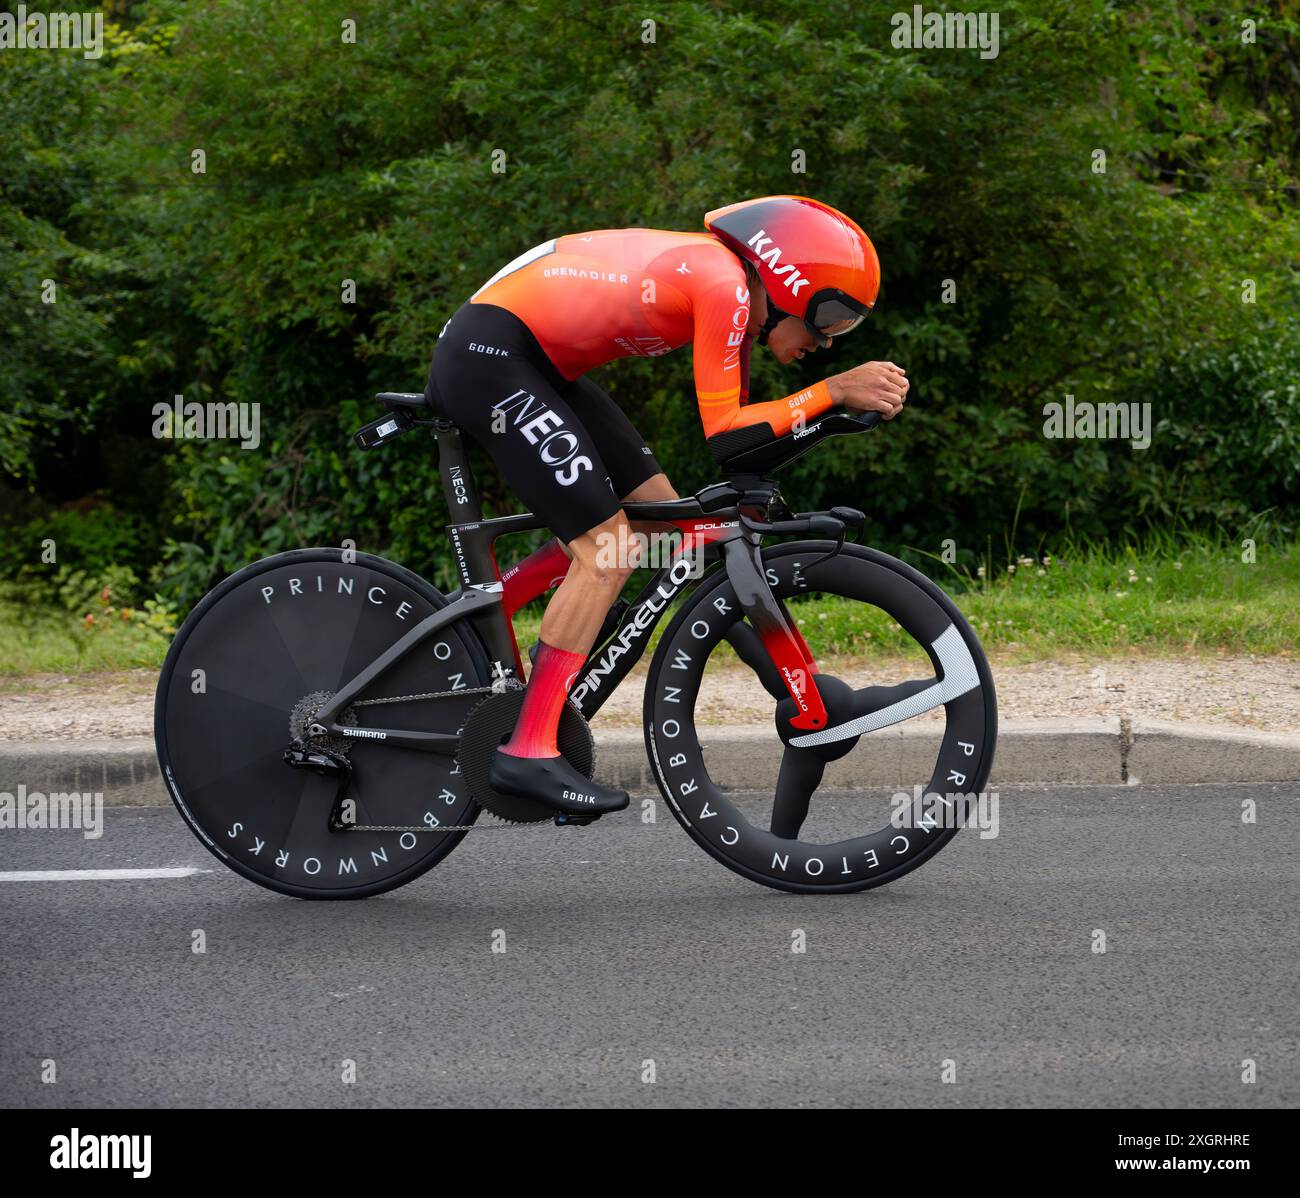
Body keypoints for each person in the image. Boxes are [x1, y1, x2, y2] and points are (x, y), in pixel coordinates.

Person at [424, 195, 909, 820]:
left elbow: (741, 457)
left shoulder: (720, 276)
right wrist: (833, 393)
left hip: (534, 363)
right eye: (833, 318)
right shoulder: (723, 283)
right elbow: (730, 436)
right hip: (492, 359)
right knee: (610, 549)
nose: (828, 340)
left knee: (677, 524)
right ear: (789, 279)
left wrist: (830, 414)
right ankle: (529, 747)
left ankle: (487, 613)